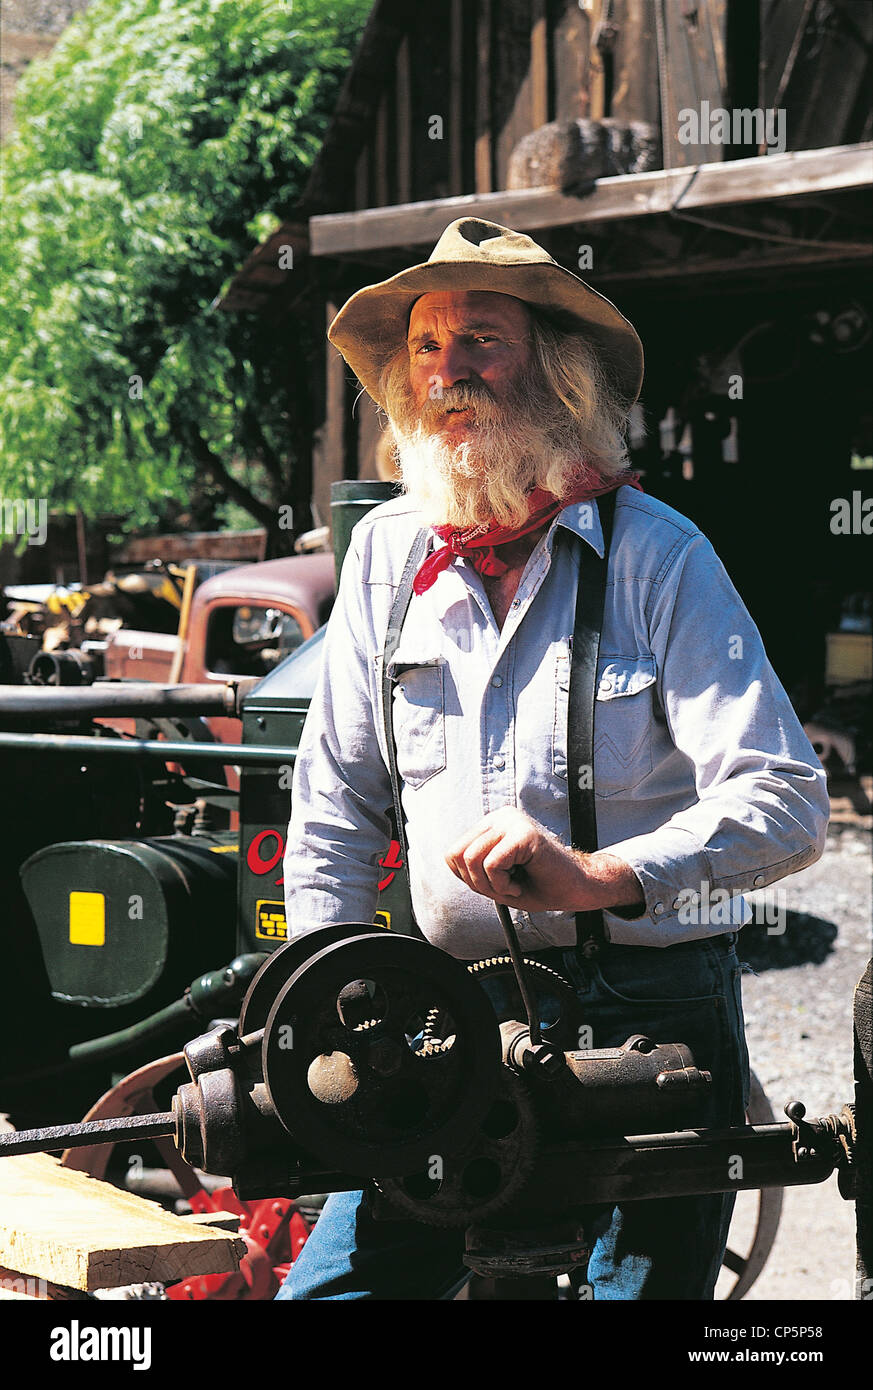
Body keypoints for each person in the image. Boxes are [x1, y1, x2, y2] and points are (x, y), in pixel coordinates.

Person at [276, 218, 829, 1300]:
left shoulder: (659, 556)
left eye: (481, 339)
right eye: (427, 349)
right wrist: (336, 992)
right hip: (441, 1017)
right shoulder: (388, 554)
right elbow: (335, 807)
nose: (448, 372)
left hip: (650, 1011)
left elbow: (787, 802)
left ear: (558, 373)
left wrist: (605, 875)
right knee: (333, 1293)